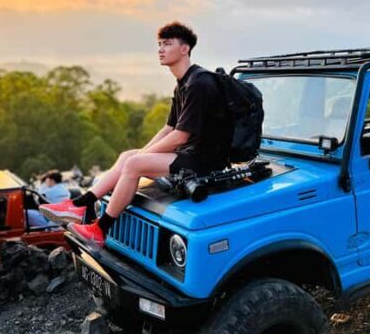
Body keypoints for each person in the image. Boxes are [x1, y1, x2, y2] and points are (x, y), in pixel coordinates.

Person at [39, 22, 230, 246]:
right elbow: (168, 128)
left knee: (134, 163)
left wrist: (141, 158)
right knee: (127, 156)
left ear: (184, 49)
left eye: (167, 44)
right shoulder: (183, 84)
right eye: (159, 44)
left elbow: (180, 136)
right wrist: (141, 152)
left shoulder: (199, 83)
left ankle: (100, 229)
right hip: (190, 154)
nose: (160, 49)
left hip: (205, 161)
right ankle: (80, 204)